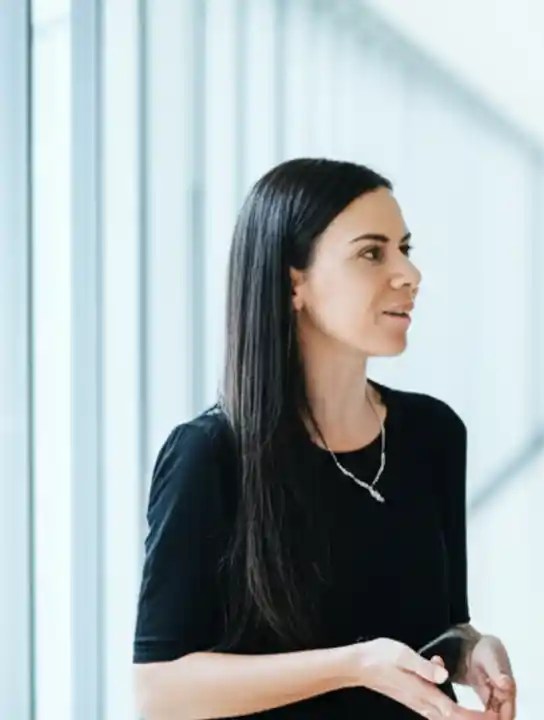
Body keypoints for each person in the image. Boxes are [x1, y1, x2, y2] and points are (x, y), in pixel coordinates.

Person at [132, 158, 516, 719]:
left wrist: (472, 651)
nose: (409, 274)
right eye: (371, 252)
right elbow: (158, 690)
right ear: (295, 282)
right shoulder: (211, 456)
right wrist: (351, 665)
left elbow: (441, 625)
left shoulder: (433, 434)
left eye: (405, 248)